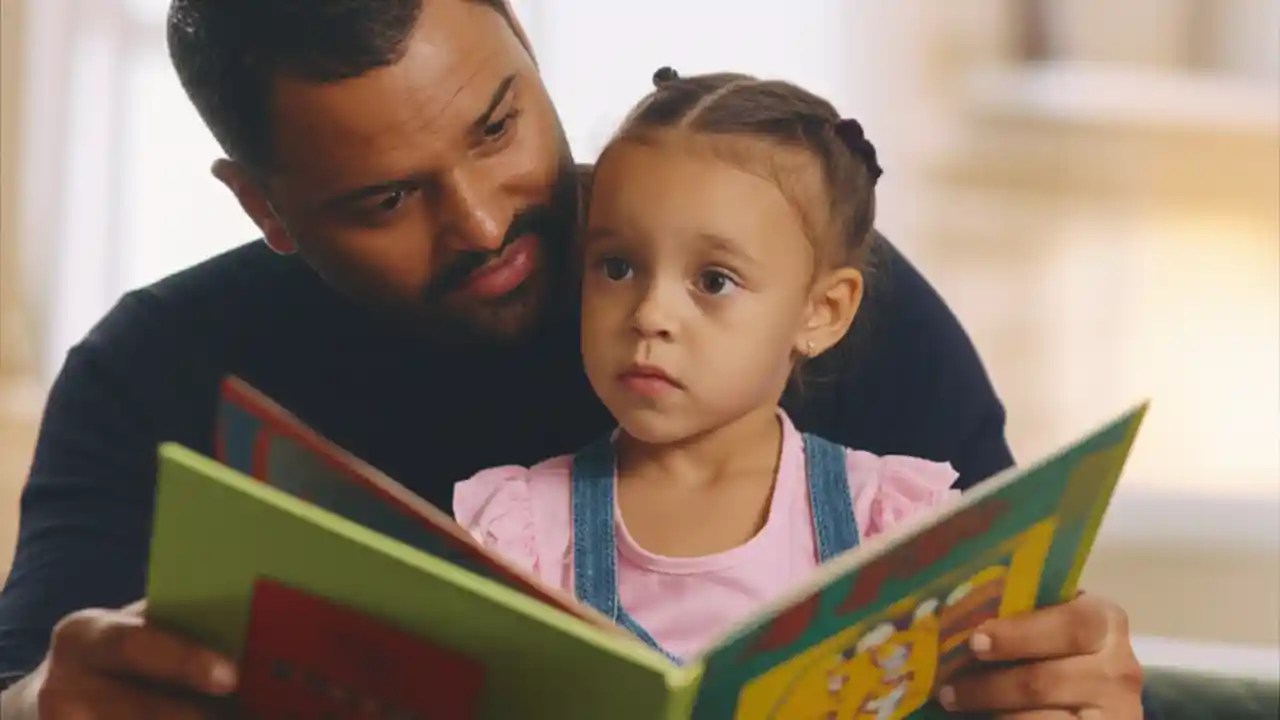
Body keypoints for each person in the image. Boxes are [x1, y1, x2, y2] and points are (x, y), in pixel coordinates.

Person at [0, 1, 1145, 718]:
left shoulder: (799, 289)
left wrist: (1065, 679)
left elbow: (1014, 623)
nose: (483, 222)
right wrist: (43, 700)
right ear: (266, 208)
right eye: (387, 198)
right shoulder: (150, 372)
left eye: (497, 127)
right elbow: (28, 682)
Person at [455, 69, 963, 664]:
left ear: (821, 312)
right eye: (617, 267)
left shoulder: (887, 525)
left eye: (713, 280)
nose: (650, 314)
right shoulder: (526, 533)